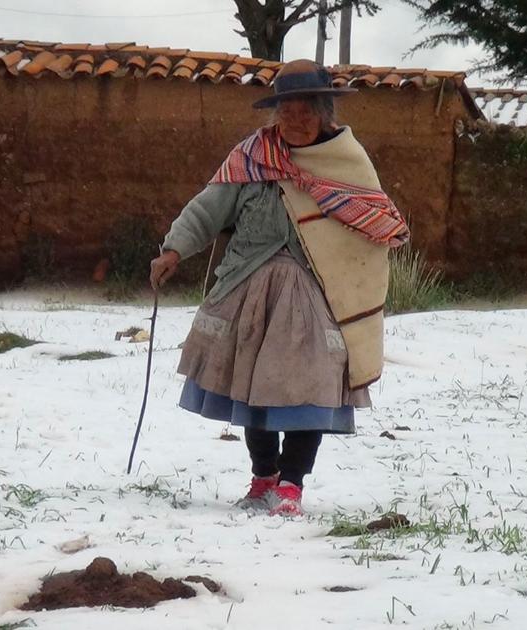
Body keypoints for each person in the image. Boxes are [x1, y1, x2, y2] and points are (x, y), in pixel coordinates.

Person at [149, 59, 410, 516]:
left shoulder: (347, 164)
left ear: (326, 112)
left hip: (318, 294)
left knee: (310, 388)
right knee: (252, 387)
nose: (296, 118)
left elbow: (372, 223)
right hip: (248, 288)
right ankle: (263, 475)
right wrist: (173, 250)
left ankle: (292, 484)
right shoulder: (252, 156)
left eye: (306, 109)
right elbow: (209, 207)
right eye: (287, 110)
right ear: (275, 113)